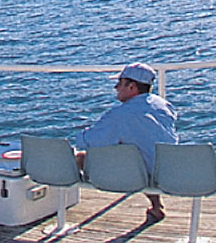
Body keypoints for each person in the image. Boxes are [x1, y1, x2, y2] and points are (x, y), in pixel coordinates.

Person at [74, 62, 179, 224]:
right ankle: (156, 207)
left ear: (132, 87)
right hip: (170, 170)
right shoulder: (164, 105)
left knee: (80, 157)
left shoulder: (120, 115)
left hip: (139, 173)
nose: (116, 88)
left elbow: (88, 141)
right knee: (141, 151)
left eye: (119, 84)